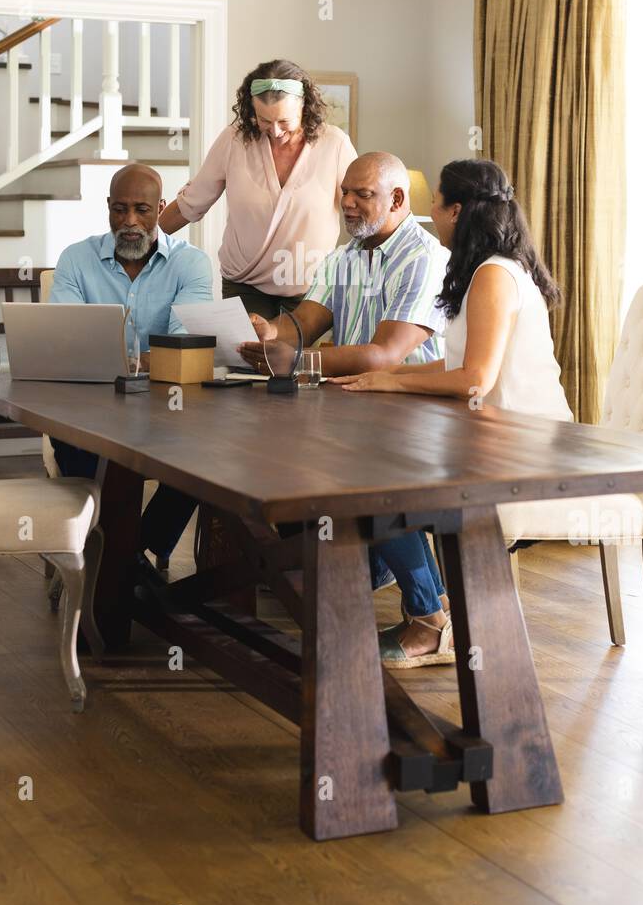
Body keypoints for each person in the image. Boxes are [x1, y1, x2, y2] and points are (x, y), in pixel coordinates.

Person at [332, 158, 573, 668]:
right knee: (372, 460)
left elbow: (473, 381)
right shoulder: (490, 270)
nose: (432, 214)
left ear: (456, 211)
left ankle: (428, 618)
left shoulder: (492, 275)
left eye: (437, 204)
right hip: (494, 430)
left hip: (522, 444)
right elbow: (464, 365)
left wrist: (393, 384)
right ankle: (404, 590)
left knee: (375, 471)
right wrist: (390, 379)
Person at [49, 163, 214, 568]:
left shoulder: (191, 264)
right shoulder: (75, 259)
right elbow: (66, 338)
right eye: (119, 209)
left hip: (167, 406)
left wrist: (117, 357)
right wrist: (144, 358)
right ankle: (117, 557)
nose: (130, 222)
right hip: (92, 406)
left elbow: (183, 347)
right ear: (107, 207)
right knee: (75, 440)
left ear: (161, 208)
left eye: (142, 209)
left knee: (209, 456)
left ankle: (129, 553)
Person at [159, 59, 357, 319]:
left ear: (305, 107)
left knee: (298, 359)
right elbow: (191, 204)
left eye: (284, 121)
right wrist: (143, 240)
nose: (274, 131)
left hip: (310, 288)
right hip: (245, 284)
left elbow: (361, 206)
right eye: (264, 120)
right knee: (248, 358)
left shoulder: (335, 144)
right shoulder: (234, 140)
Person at [237, 152, 448, 375]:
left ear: (396, 199)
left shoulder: (424, 260)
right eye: (345, 191)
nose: (347, 202)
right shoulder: (341, 258)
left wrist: (296, 359)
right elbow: (304, 322)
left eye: (363, 194)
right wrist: (269, 331)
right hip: (350, 396)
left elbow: (384, 356)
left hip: (409, 404)